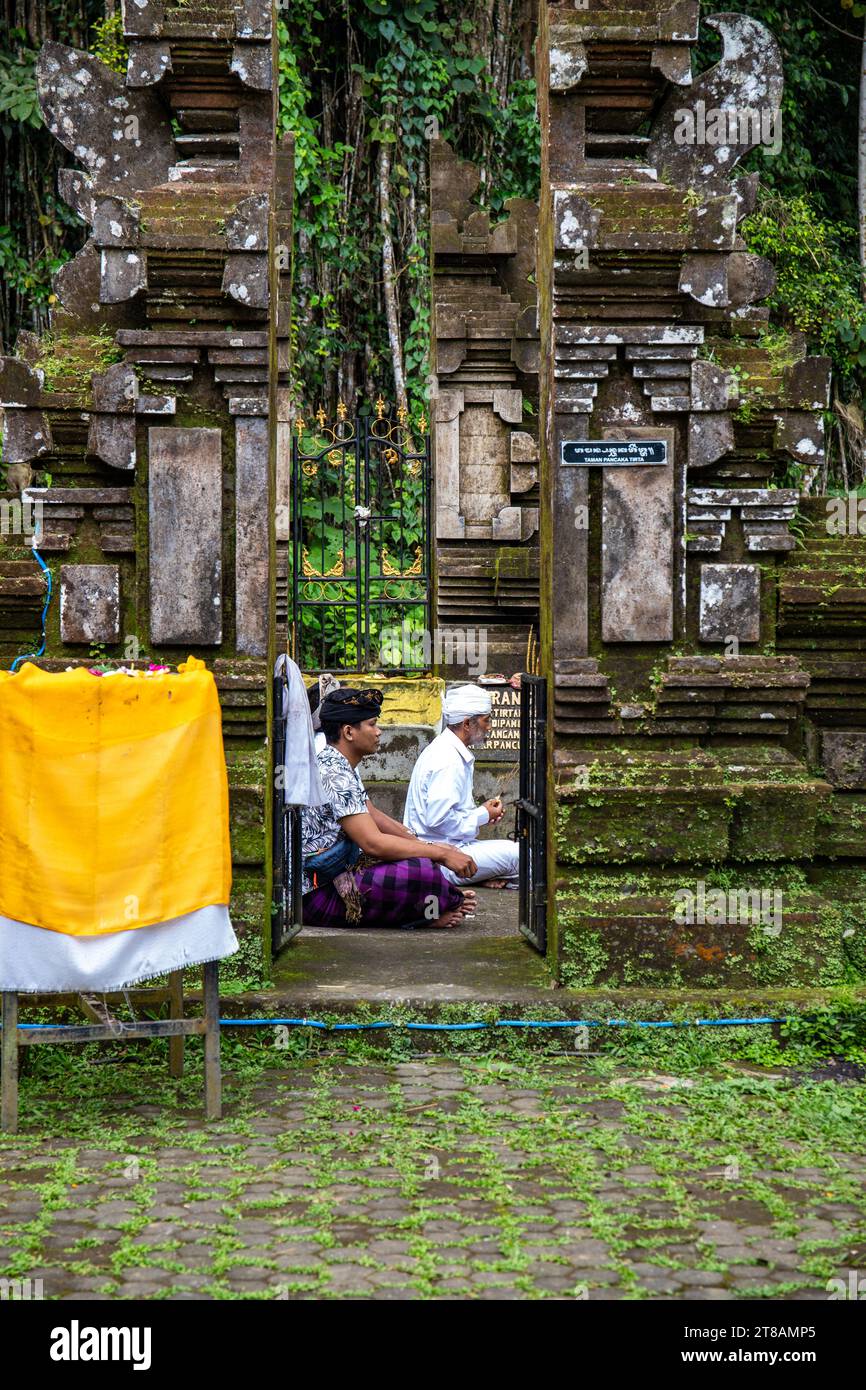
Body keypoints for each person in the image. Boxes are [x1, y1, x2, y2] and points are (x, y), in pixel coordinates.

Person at [301, 687, 478, 929]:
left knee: (424, 860)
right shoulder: (333, 774)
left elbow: (372, 814)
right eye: (372, 724)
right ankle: (427, 914)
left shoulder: (340, 765)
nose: (378, 731)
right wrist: (440, 852)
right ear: (349, 732)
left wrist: (427, 845)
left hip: (339, 871)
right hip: (319, 893)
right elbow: (373, 843)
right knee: (421, 870)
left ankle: (444, 898)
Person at [403, 684, 520, 888]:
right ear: (467, 724)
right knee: (525, 856)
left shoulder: (449, 751)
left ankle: (482, 876)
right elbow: (437, 819)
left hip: (453, 848)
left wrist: (483, 814)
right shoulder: (448, 759)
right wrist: (483, 815)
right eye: (487, 721)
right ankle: (476, 876)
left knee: (515, 851)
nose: (490, 727)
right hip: (442, 858)